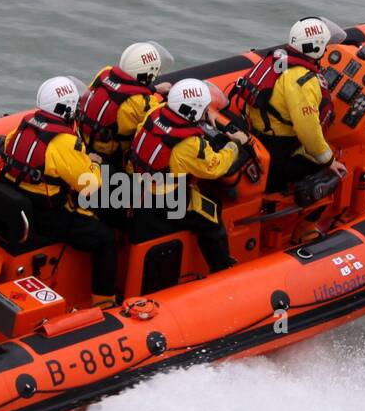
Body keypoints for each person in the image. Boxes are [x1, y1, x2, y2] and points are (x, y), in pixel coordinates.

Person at [0, 76, 120, 306]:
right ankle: (105, 302)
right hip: (49, 216)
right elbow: (90, 184)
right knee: (105, 238)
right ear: (67, 107)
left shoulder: (21, 129)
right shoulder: (63, 142)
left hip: (20, 206)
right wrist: (93, 162)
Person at [127, 78, 250, 273]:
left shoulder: (155, 112)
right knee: (211, 214)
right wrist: (235, 144)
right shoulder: (189, 144)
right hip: (165, 201)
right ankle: (222, 269)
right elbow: (215, 167)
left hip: (137, 186)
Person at [235, 17, 348, 192]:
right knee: (331, 170)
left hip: (257, 136)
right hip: (279, 152)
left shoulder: (278, 60)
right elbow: (308, 130)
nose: (326, 49)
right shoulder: (304, 81)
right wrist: (329, 161)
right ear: (316, 47)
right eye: (324, 46)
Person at [75, 41, 170, 166]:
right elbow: (161, 123)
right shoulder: (143, 103)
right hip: (110, 154)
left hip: (83, 138)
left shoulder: (104, 73)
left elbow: (124, 87)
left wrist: (153, 89)